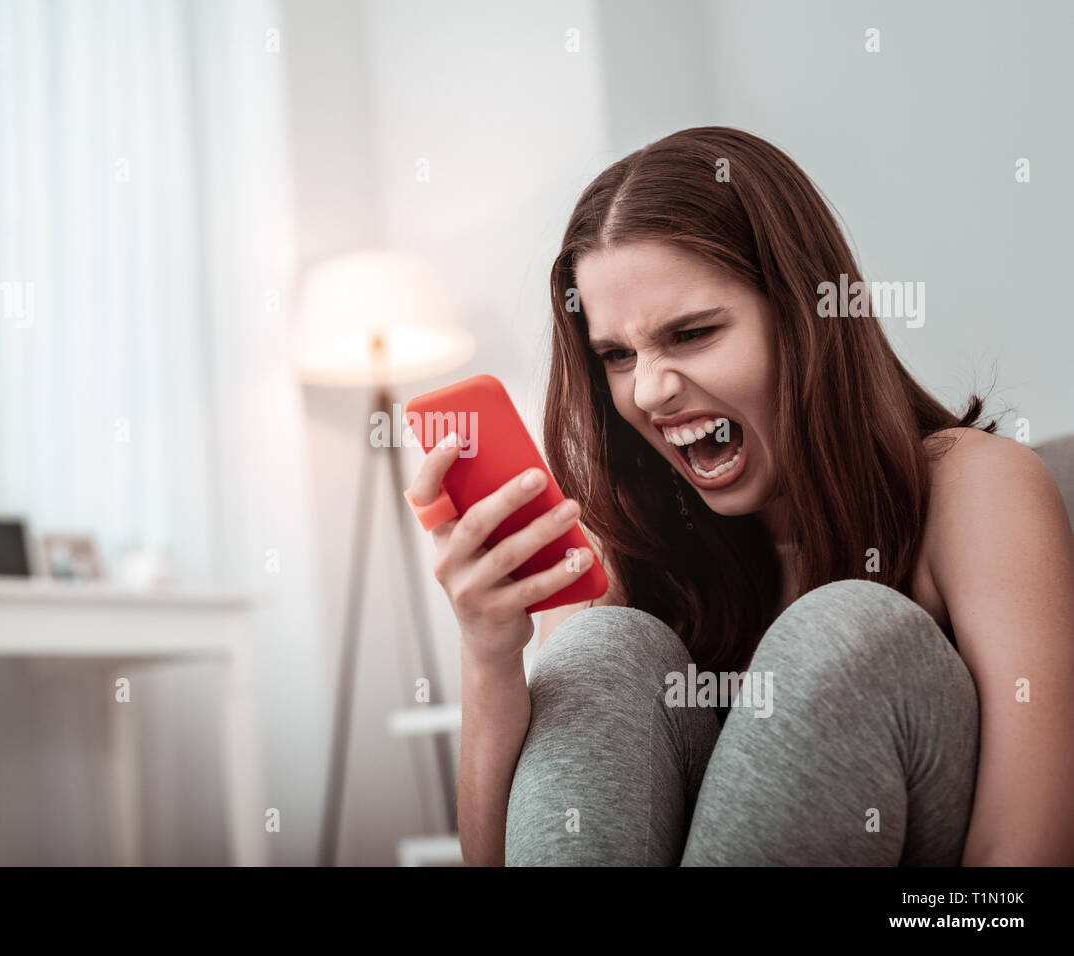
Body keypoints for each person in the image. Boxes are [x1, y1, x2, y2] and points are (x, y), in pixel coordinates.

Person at [402, 127, 1074, 866]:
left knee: (845, 627)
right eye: (617, 355)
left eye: (691, 334)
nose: (649, 391)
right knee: (600, 651)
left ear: (806, 317)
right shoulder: (622, 541)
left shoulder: (977, 489)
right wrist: (490, 655)